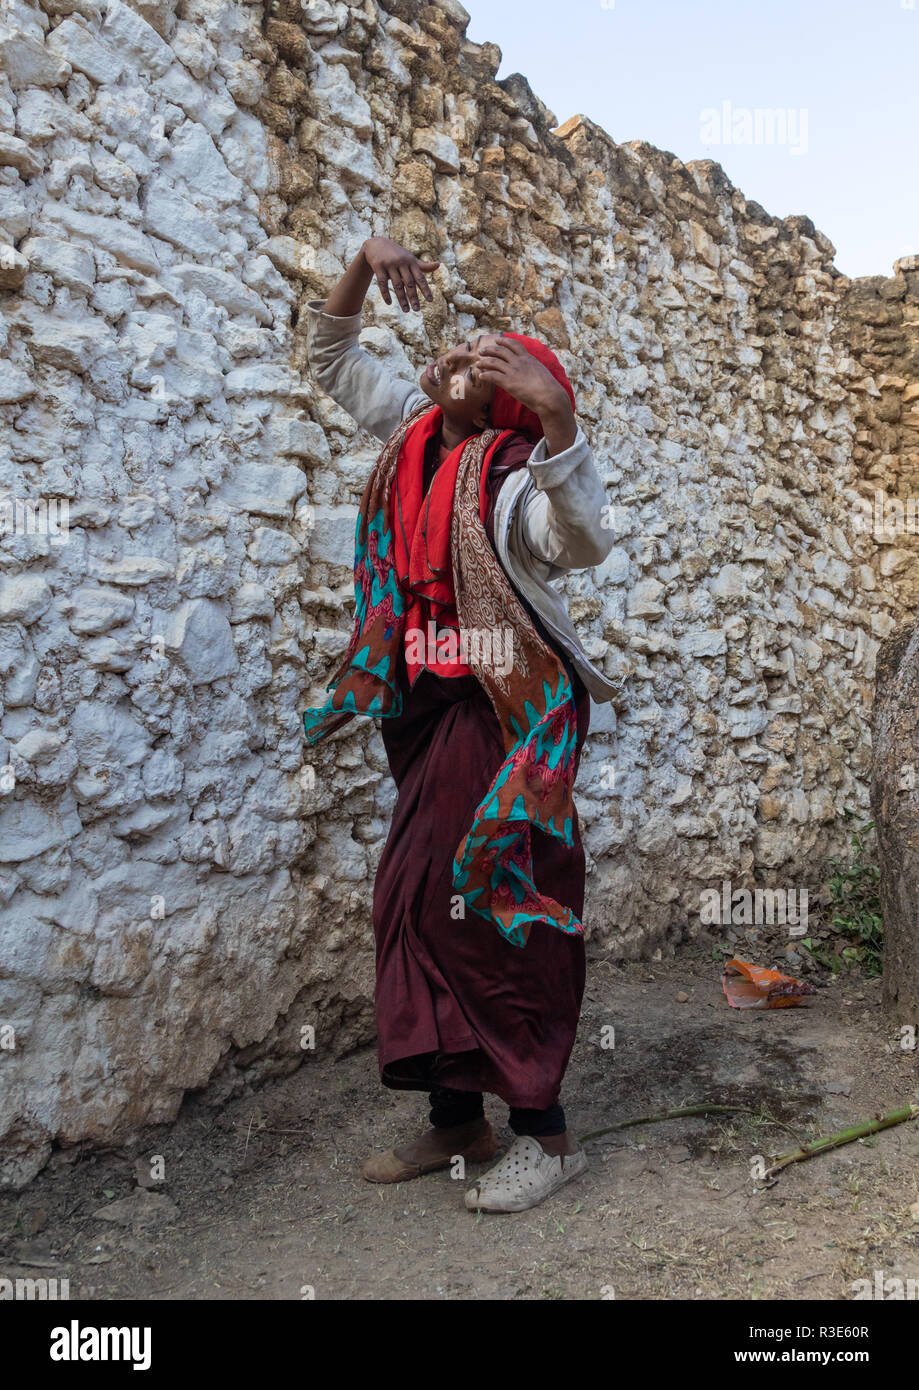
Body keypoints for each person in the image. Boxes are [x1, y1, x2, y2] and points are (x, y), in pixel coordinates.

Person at [301, 236, 620, 1212]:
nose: (452, 358)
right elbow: (330, 354)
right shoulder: (409, 433)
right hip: (431, 717)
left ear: (506, 406)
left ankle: (545, 1133)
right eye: (454, 351)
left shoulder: (519, 482)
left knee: (492, 905)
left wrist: (561, 414)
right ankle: (457, 1119)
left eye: (486, 363)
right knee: (411, 901)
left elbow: (584, 537)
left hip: (508, 721)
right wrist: (360, 259)